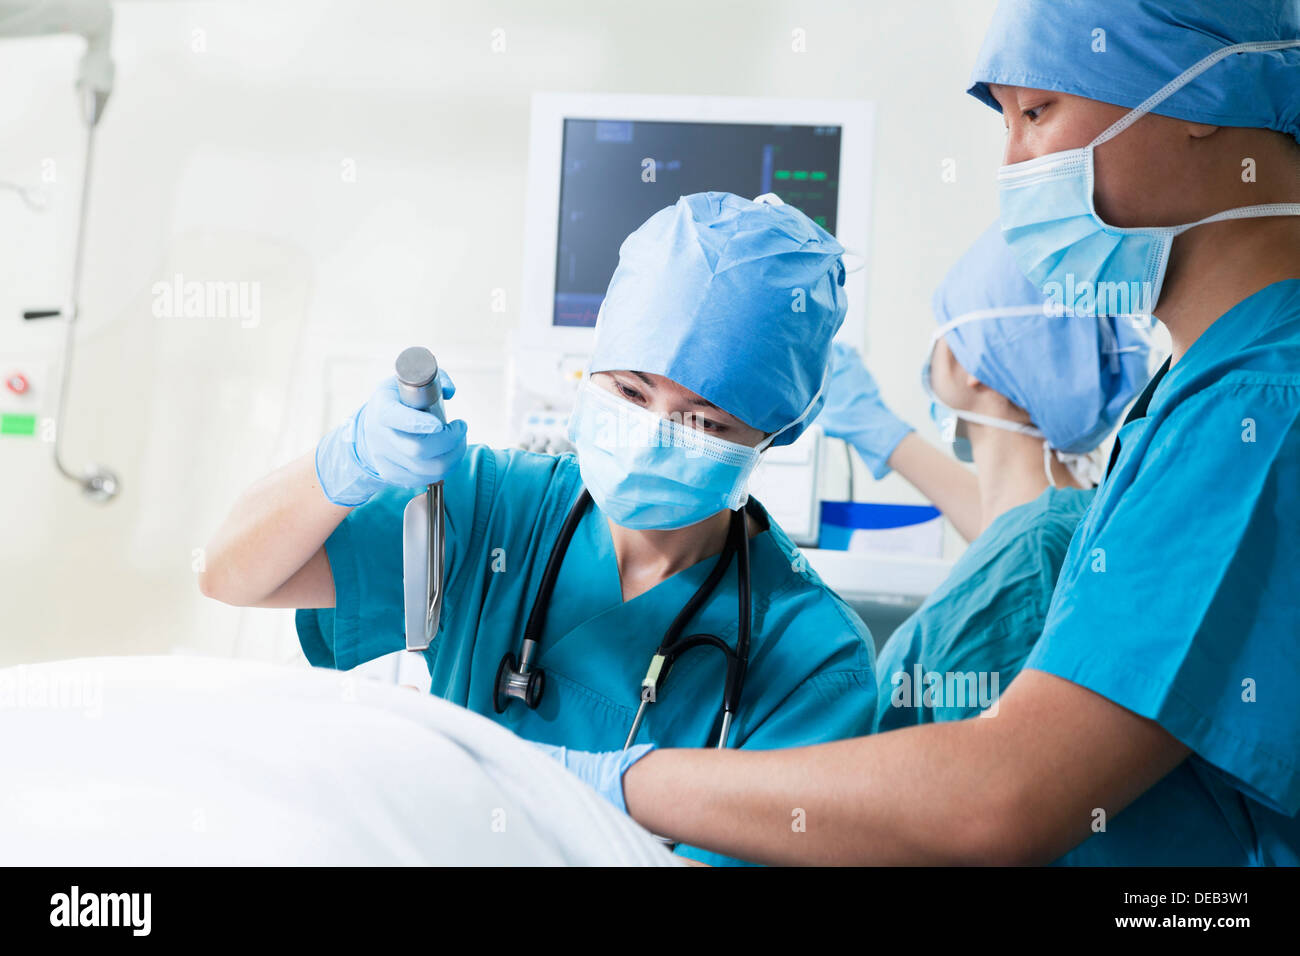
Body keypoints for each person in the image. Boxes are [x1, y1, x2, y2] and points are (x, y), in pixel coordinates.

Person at [539, 0, 1300, 866]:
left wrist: (619, 784)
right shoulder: (1200, 393)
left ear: (1199, 97)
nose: (1013, 166)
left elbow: (1004, 796)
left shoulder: (1262, 407)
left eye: (1036, 113)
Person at [199, 191, 878, 867]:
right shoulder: (495, 506)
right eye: (633, 393)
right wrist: (345, 460)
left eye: (705, 421)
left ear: (775, 430)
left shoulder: (815, 659)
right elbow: (230, 573)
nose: (650, 438)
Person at [818, 221, 1149, 730]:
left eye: (945, 328)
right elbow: (1007, 529)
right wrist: (885, 436)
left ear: (973, 363)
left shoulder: (1029, 558)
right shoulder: (1071, 517)